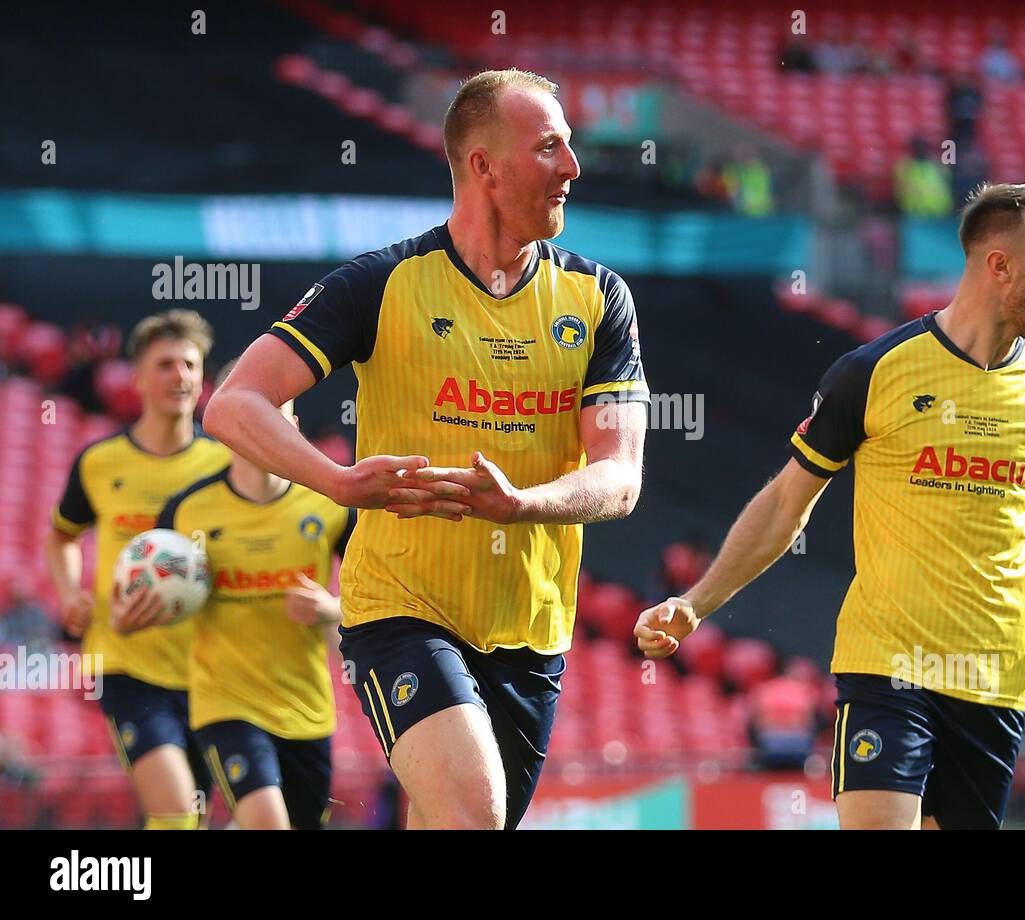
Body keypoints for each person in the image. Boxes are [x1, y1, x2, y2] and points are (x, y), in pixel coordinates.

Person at [634, 183, 1025, 830]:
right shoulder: (875, 370)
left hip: (993, 682)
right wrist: (696, 601)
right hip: (887, 670)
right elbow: (784, 506)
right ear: (998, 265)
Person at [203, 68, 649, 830]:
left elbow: (621, 478)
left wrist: (522, 506)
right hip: (401, 614)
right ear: (484, 166)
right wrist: (337, 481)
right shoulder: (382, 284)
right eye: (550, 148)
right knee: (471, 815)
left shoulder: (598, 297)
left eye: (570, 147)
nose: (573, 167)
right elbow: (233, 403)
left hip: (530, 633)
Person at [128, 360, 355, 830]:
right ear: (224, 421)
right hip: (226, 705)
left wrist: (331, 610)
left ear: (292, 425)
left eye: (274, 412)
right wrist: (142, 611)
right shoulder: (186, 510)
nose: (260, 426)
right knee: (266, 821)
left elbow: (378, 605)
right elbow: (135, 605)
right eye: (249, 413)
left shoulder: (328, 504)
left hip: (308, 712)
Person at [45, 309, 230, 830]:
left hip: (209, 668)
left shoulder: (223, 466)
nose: (181, 376)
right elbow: (61, 536)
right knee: (173, 809)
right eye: (166, 364)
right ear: (138, 378)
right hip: (124, 661)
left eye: (190, 365)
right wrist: (67, 591)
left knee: (191, 815)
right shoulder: (100, 462)